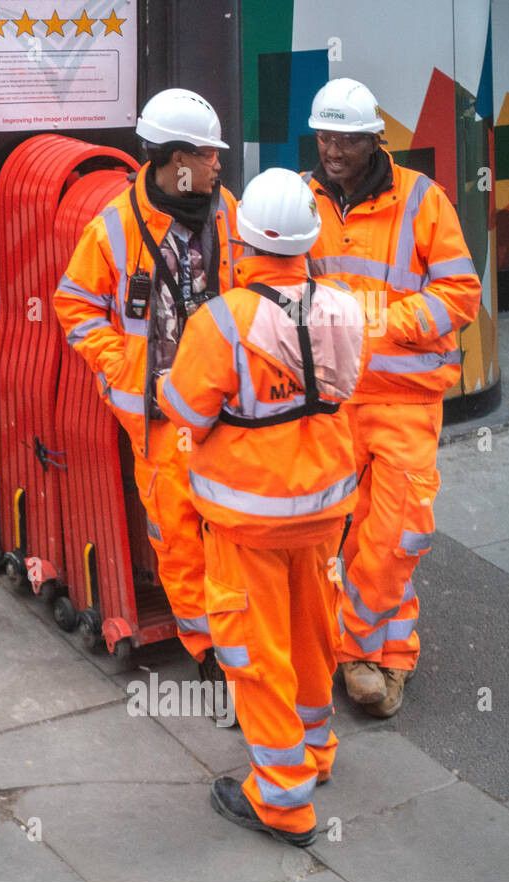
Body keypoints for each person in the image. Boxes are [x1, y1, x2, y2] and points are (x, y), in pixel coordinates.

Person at [157, 168, 366, 846]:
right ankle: (314, 755)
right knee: (312, 633)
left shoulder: (222, 320)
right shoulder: (341, 305)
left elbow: (186, 411)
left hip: (249, 520)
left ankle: (282, 801)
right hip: (323, 513)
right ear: (310, 237)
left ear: (243, 237)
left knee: (257, 653)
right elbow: (345, 386)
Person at [54, 88, 239, 716]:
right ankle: (208, 648)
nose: (220, 165)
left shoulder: (229, 214)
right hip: (160, 420)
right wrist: (123, 364)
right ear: (176, 160)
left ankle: (244, 639)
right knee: (178, 538)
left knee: (232, 532)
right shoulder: (114, 225)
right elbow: (73, 304)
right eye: (210, 155)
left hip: (227, 413)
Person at [305, 79, 481, 717]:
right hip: (329, 399)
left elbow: (460, 293)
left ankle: (371, 654)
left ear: (373, 140)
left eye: (345, 140)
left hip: (404, 399)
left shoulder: (422, 201)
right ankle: (355, 648)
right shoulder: (303, 199)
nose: (332, 152)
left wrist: (377, 328)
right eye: (324, 138)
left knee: (395, 534)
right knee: (323, 533)